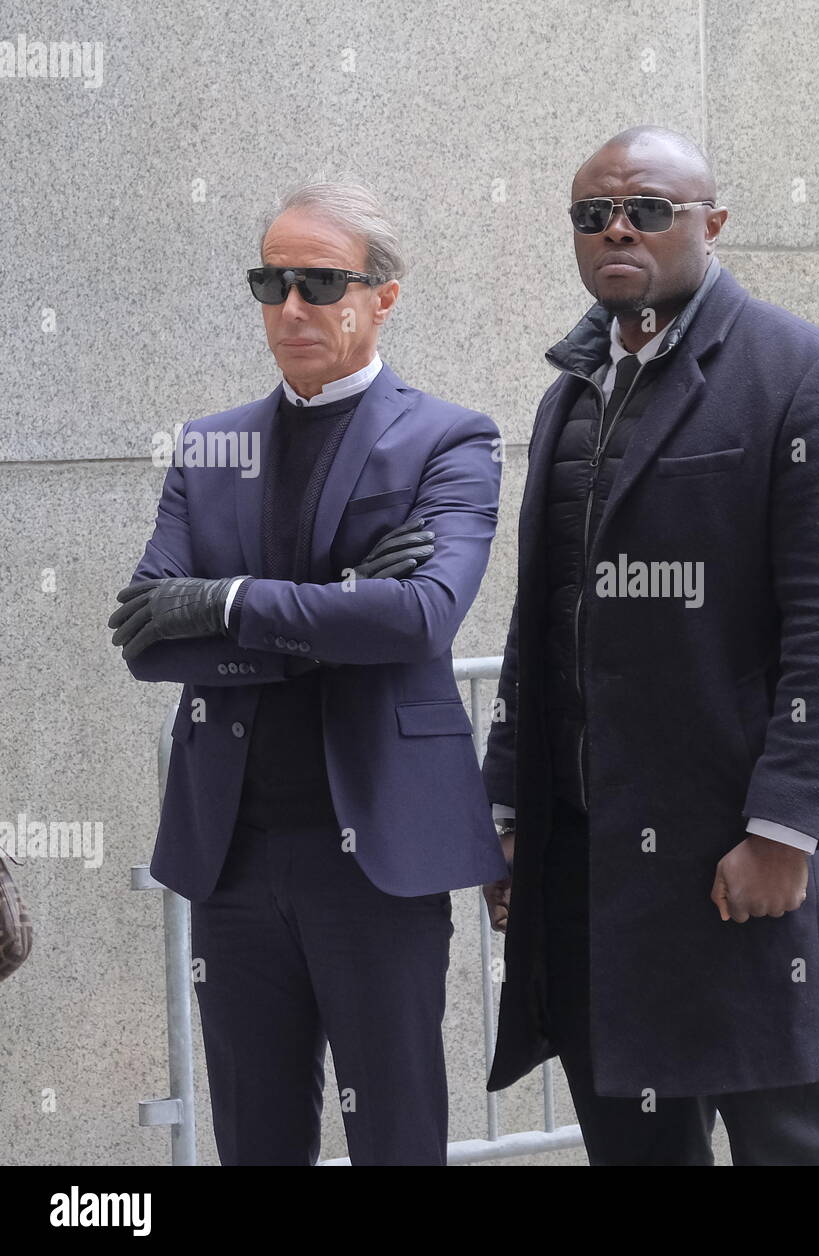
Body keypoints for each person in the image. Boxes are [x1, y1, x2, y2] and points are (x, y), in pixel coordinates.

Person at [481, 126, 819, 1166]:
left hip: (737, 851)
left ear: (711, 222)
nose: (616, 227)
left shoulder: (808, 379)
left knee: (785, 1136)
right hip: (591, 853)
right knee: (633, 1142)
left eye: (647, 208)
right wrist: (509, 809)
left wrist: (785, 829)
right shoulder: (569, 395)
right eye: (593, 214)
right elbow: (542, 625)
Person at [108, 181, 505, 1165]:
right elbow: (150, 636)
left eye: (319, 282)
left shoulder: (449, 438)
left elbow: (420, 616)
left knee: (397, 1135)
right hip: (232, 850)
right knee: (255, 1138)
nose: (290, 307)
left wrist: (233, 599)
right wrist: (335, 602)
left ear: (383, 295)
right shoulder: (209, 446)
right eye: (271, 280)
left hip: (375, 852)